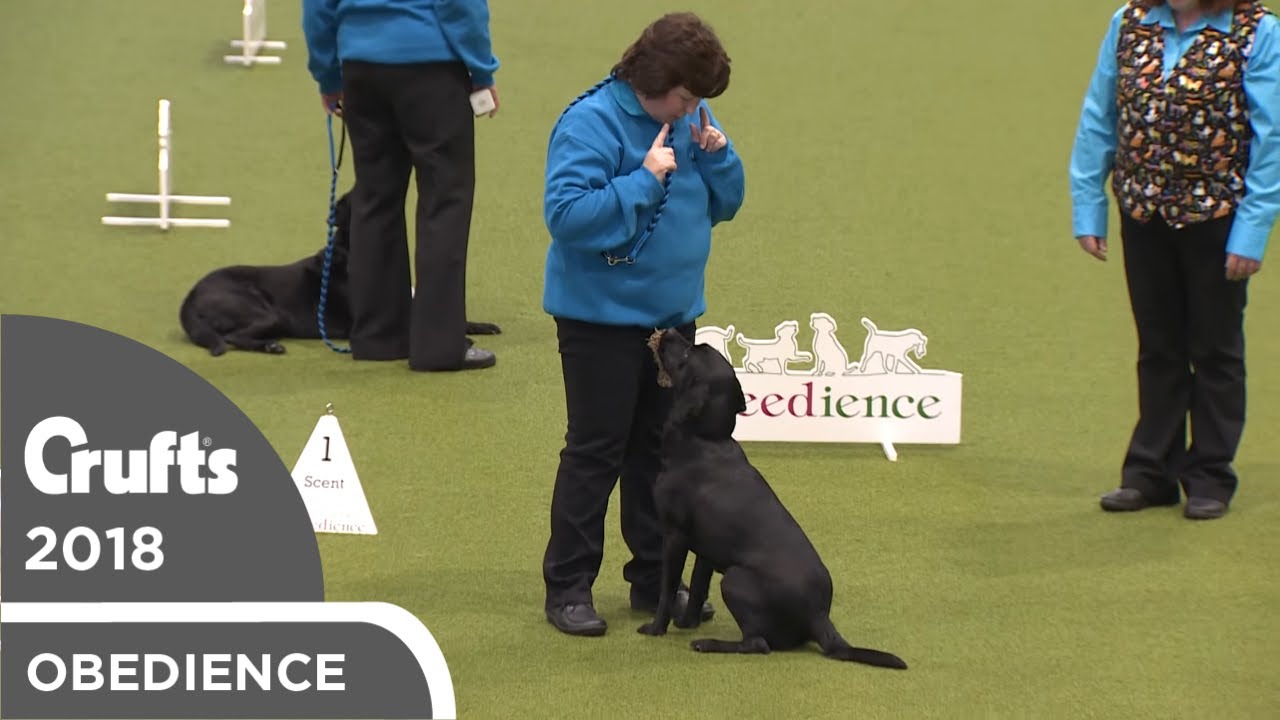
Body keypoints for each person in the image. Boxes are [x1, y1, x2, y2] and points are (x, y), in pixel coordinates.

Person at [539, 12, 746, 636]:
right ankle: (569, 588)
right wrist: (643, 179)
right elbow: (567, 216)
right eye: (687, 96)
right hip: (599, 321)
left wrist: (719, 158)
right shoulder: (589, 123)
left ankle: (653, 581)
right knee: (596, 452)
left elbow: (728, 205)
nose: (693, 110)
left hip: (673, 322)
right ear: (656, 79)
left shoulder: (692, 123)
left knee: (658, 455)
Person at [1069, 0, 1278, 520]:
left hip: (1218, 219)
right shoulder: (1130, 22)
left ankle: (1209, 475)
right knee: (1158, 345)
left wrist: (1251, 232)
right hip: (1143, 213)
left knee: (1215, 350)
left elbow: (1271, 140)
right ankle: (1149, 472)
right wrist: (1088, 206)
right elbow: (1100, 114)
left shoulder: (1257, 33)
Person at [301, 0, 500, 371]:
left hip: (361, 69)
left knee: (374, 199)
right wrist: (481, 66)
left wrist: (328, 75)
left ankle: (378, 337)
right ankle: (439, 347)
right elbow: (461, 5)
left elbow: (316, 9)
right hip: (432, 66)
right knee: (444, 202)